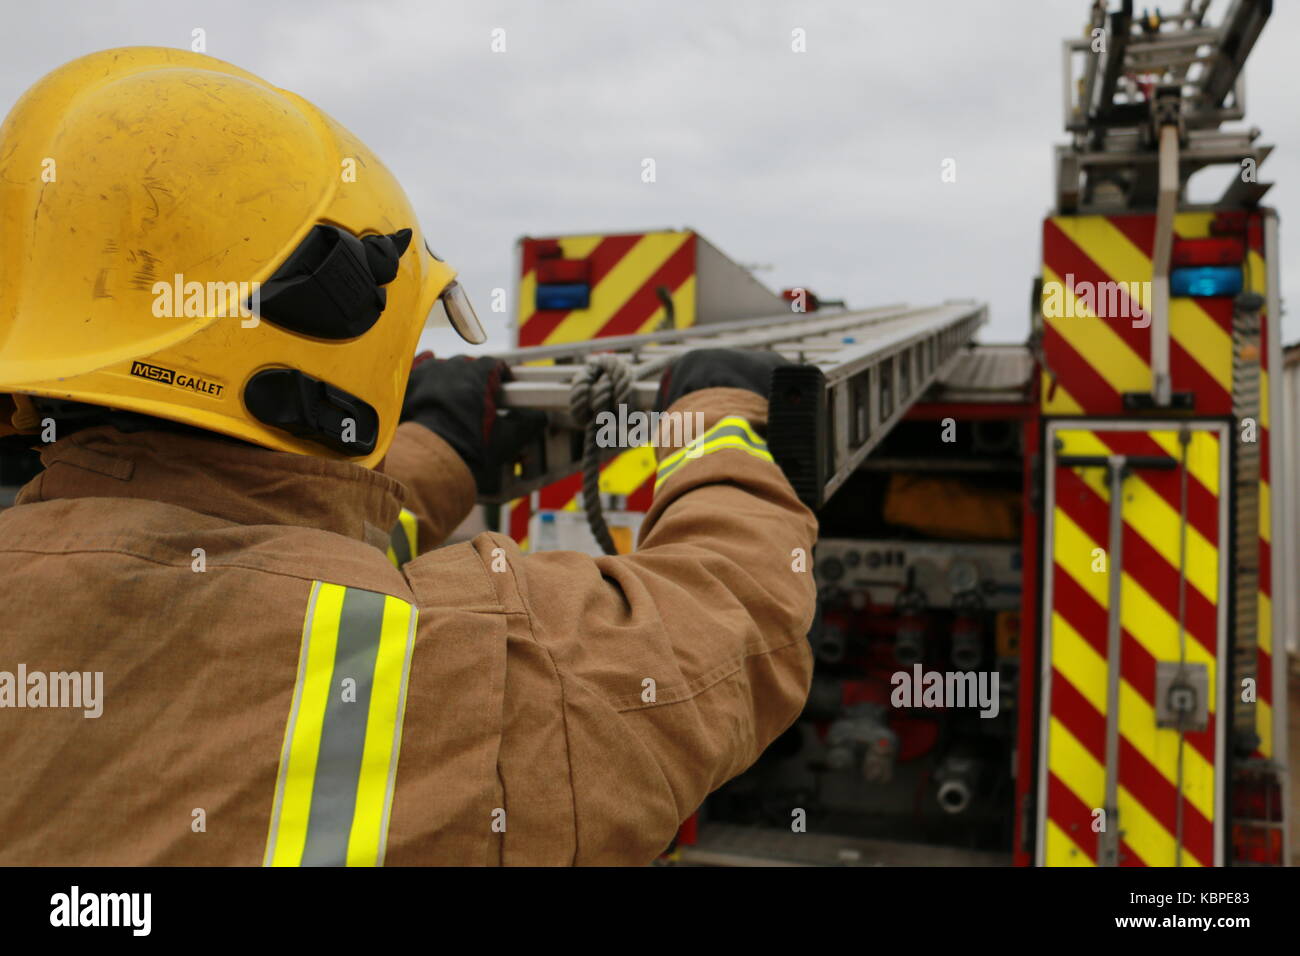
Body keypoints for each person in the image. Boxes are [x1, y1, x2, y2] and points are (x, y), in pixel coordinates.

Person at [0, 47, 816, 865]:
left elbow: (248, 537)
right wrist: (718, 420)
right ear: (343, 324)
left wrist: (439, 451)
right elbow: (741, 615)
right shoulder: (474, 672)